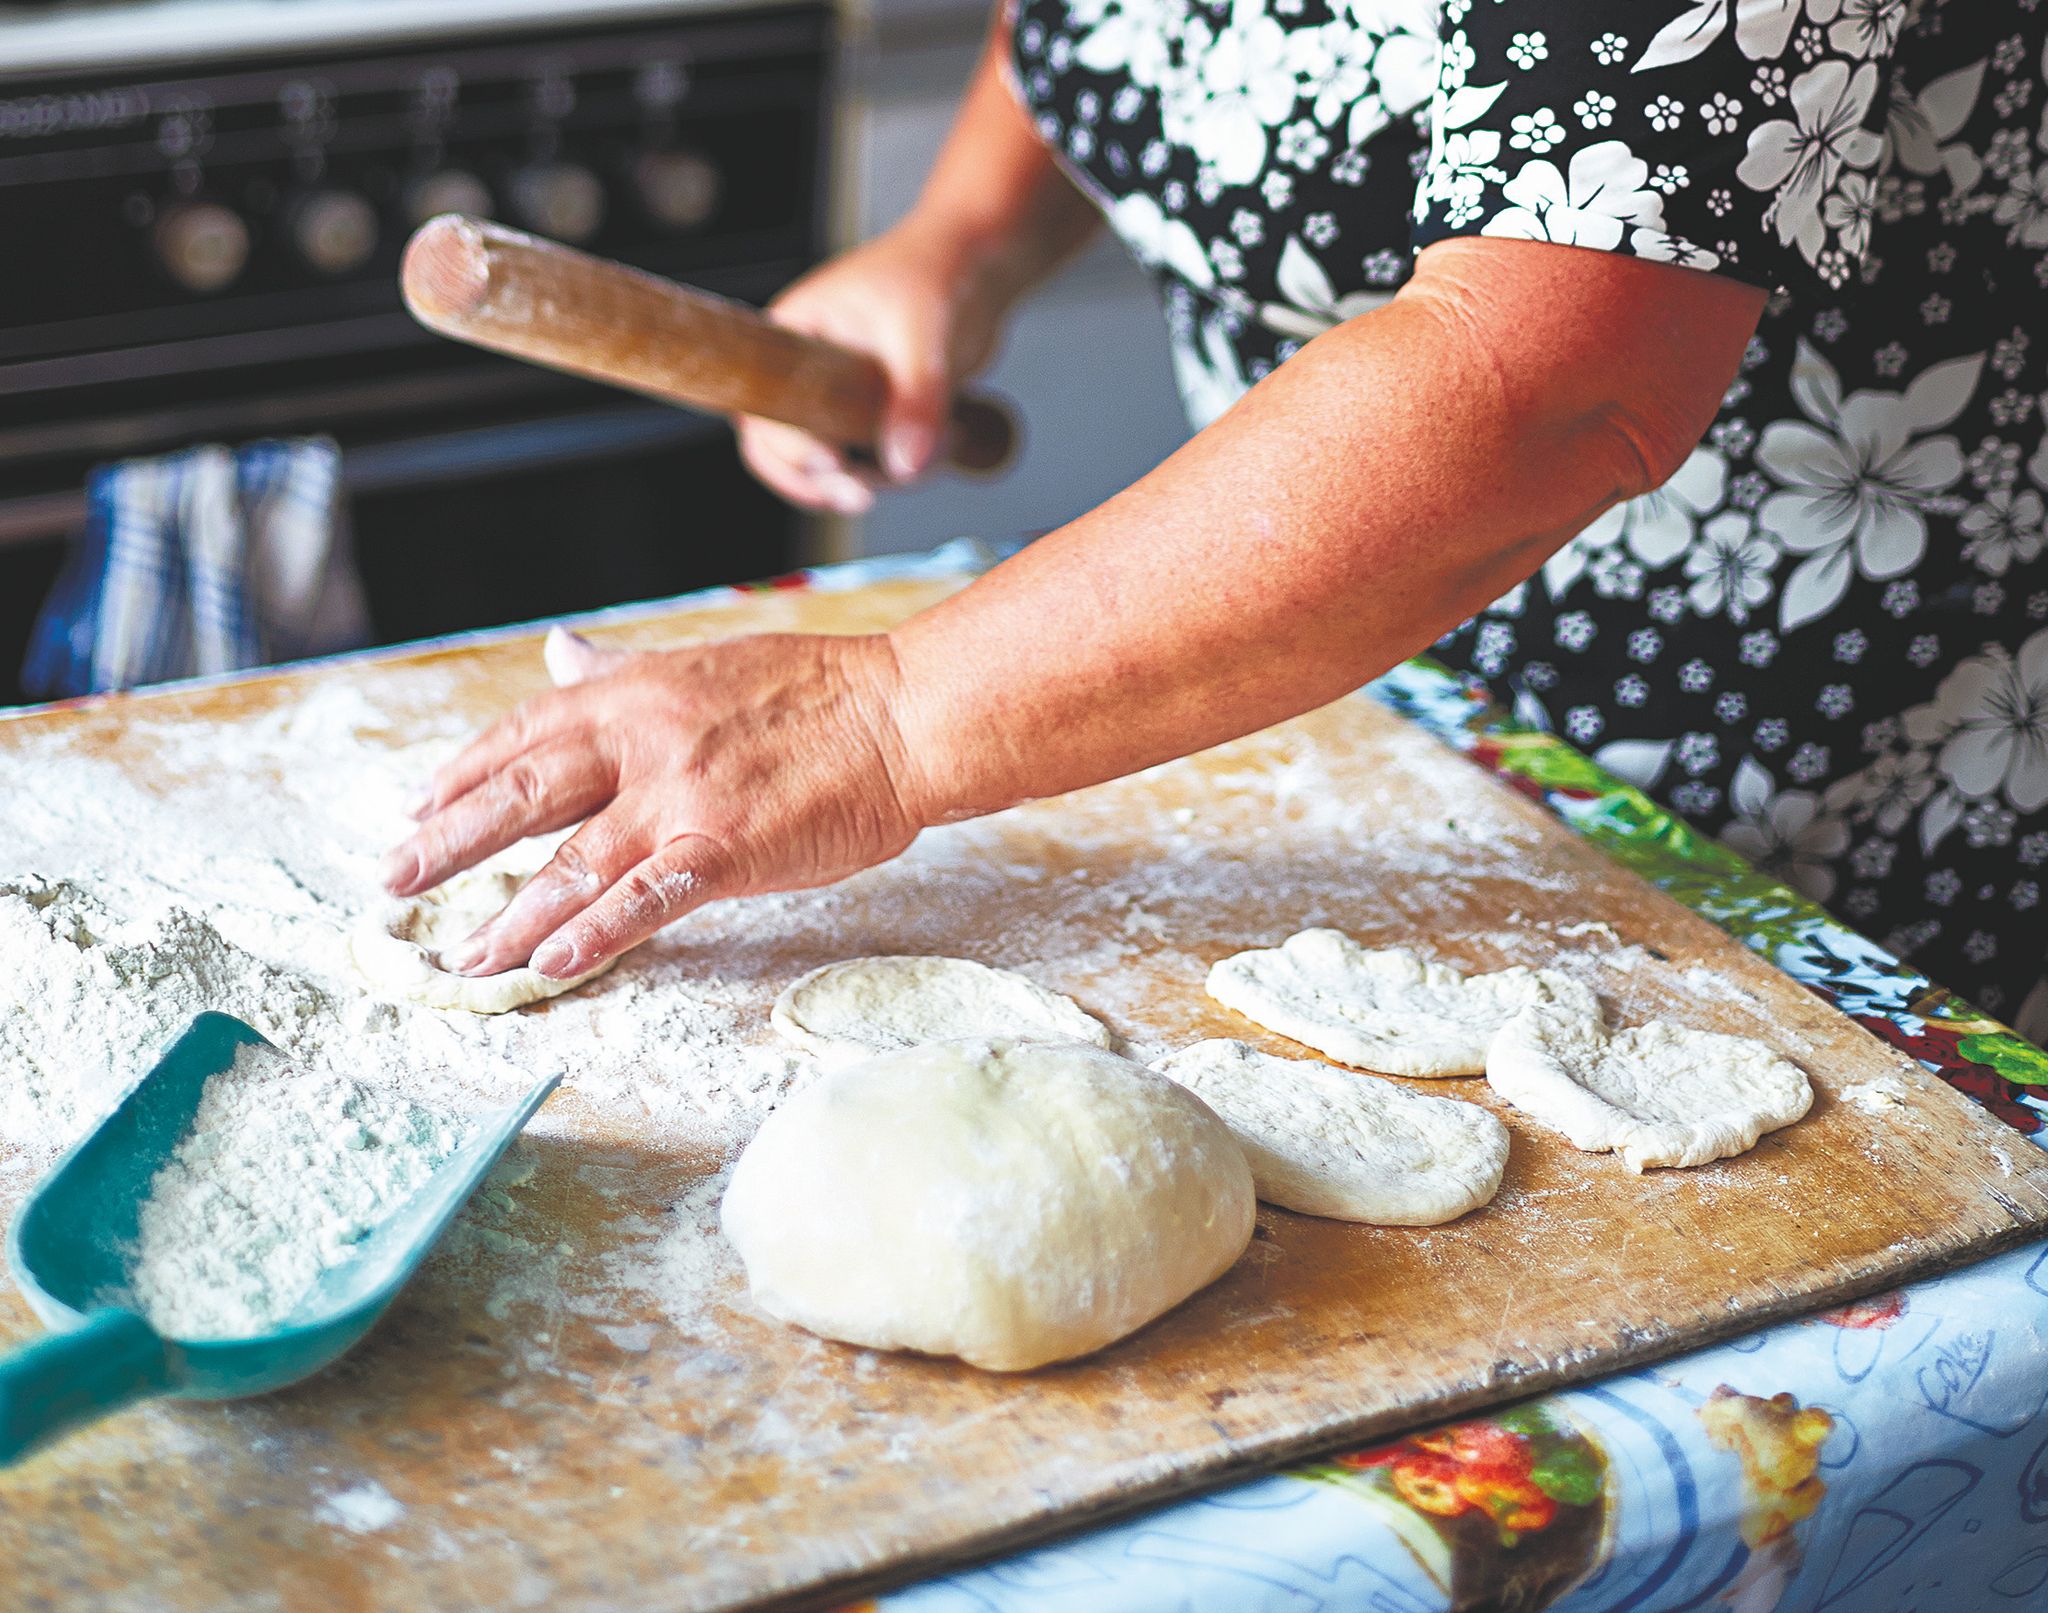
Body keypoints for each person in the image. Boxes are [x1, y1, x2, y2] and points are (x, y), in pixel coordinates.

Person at [381, 2, 2048, 1039]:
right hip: (1340, 684)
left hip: (1771, 771)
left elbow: (1555, 383)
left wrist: (876, 717)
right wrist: (959, 237)